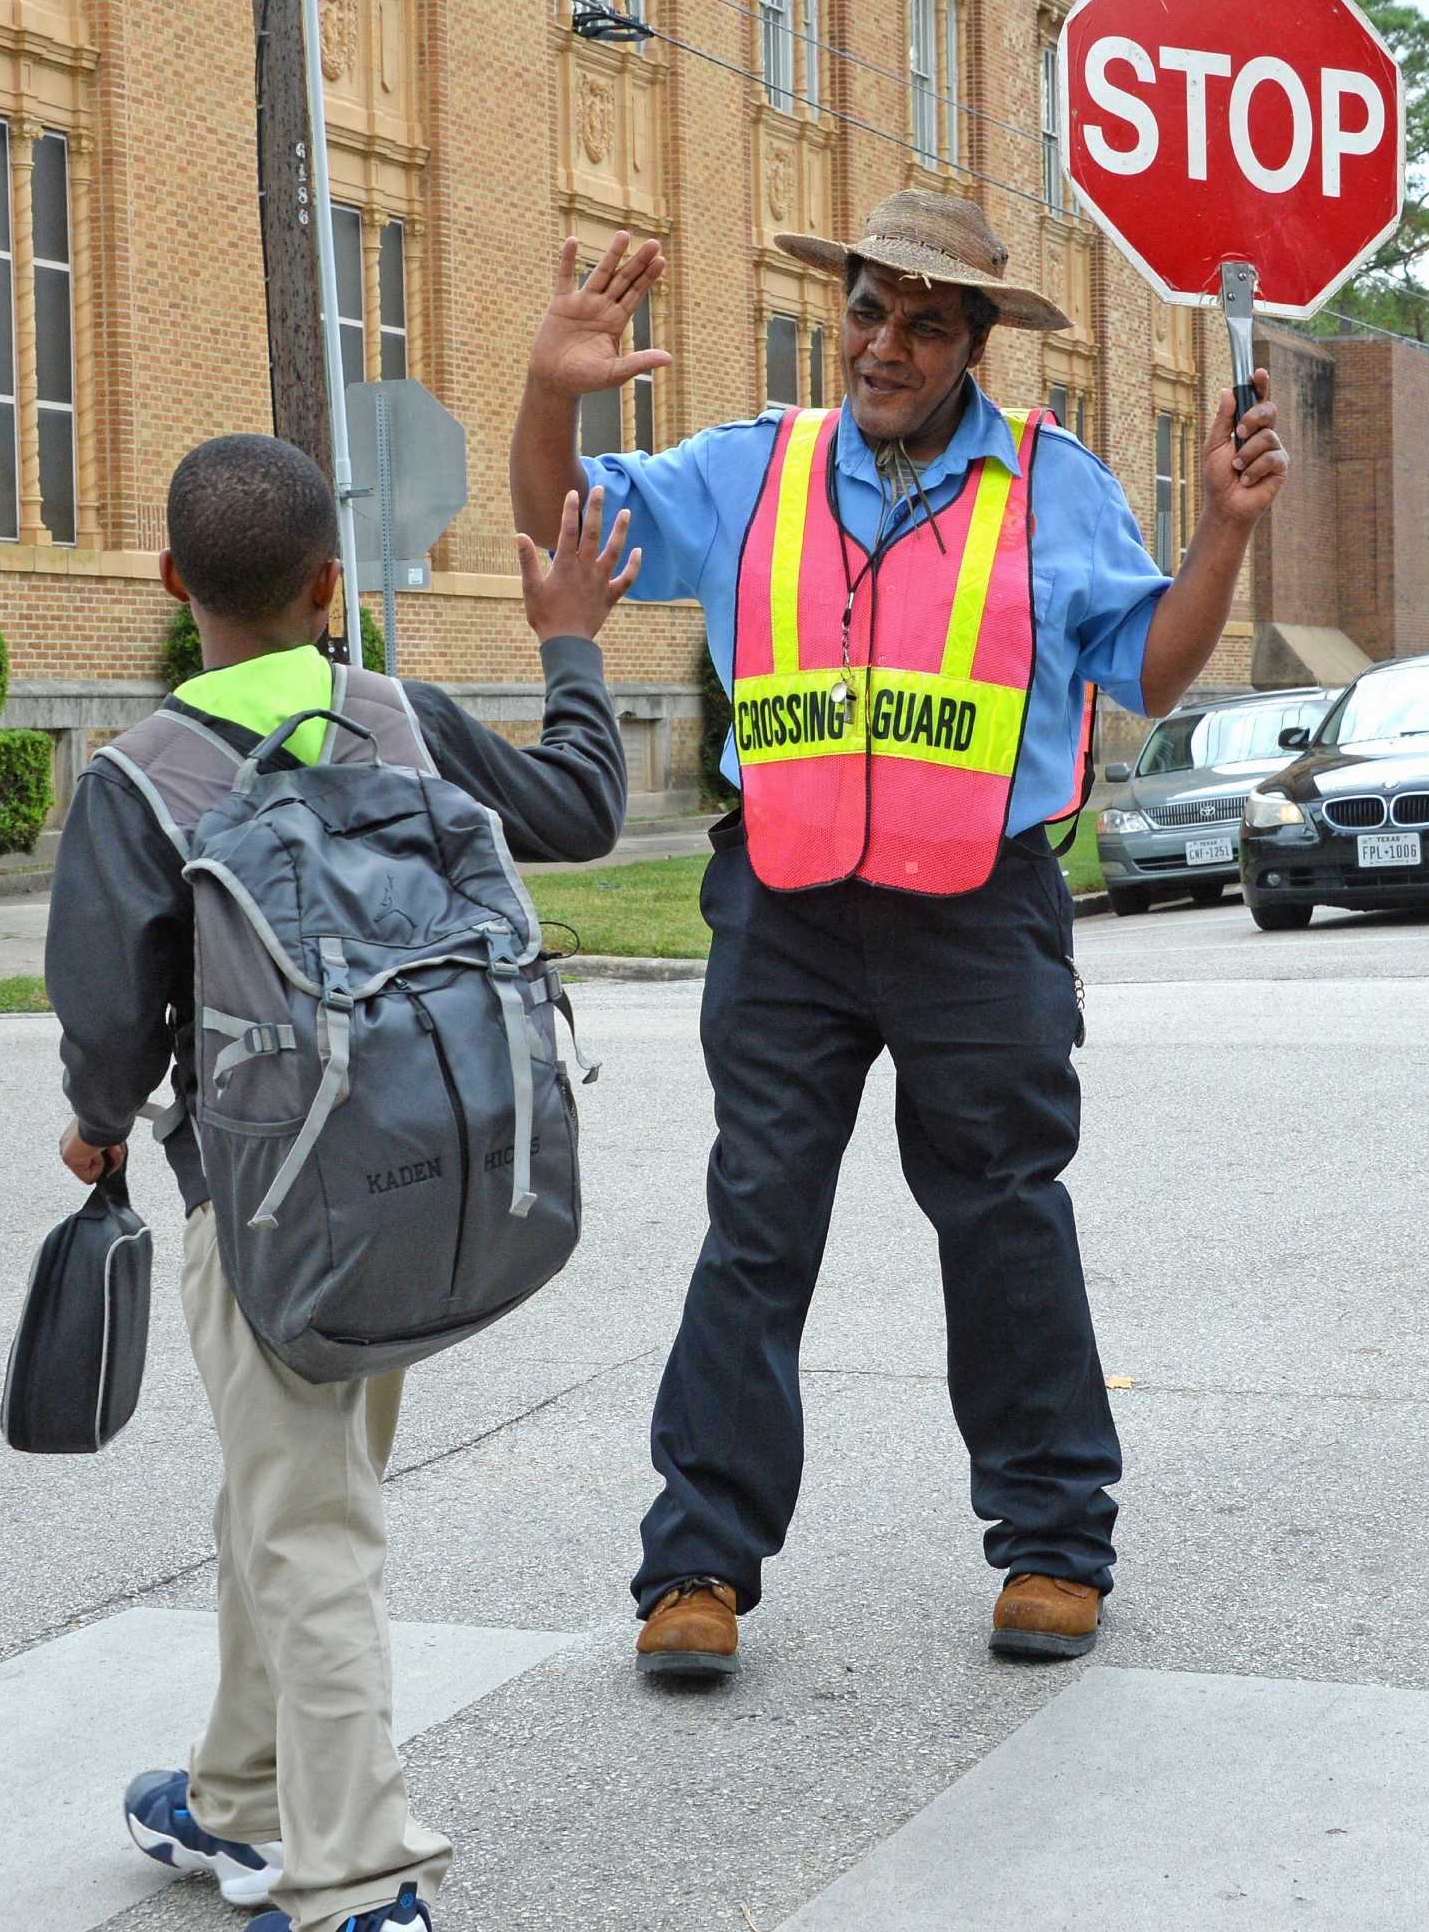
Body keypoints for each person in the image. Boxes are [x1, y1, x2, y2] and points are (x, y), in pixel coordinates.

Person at [511, 189, 1289, 1676]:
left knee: (1003, 1217)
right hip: (787, 909)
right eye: (869, 308)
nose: (882, 343)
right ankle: (696, 1567)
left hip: (979, 916)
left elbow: (1148, 668)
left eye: (924, 323)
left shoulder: (1055, 491)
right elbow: (566, 528)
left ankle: (1055, 1543)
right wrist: (550, 391)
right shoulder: (756, 468)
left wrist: (1226, 536)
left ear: (975, 346)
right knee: (756, 1222)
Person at [46, 435, 635, 1931]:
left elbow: (108, 1015)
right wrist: (568, 642)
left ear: (180, 589)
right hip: (430, 1162)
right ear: (329, 585)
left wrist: (96, 1124)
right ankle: (241, 1794)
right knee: (297, 1479)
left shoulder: (138, 777)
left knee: (307, 1513)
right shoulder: (401, 716)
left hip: (261, 1204)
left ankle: (361, 1878)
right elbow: (580, 810)